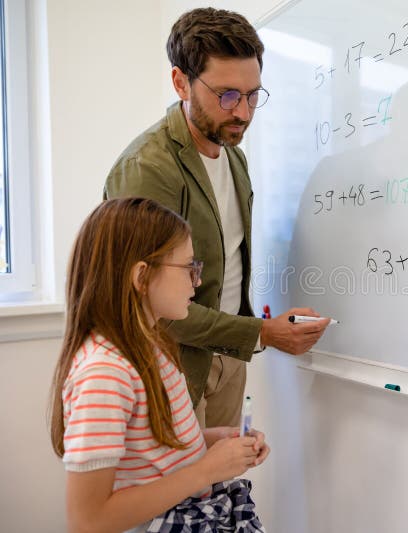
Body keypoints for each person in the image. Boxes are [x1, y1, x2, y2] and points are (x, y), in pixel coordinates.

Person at [104, 8, 330, 428]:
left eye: (253, 95)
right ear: (180, 82)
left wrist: (249, 335)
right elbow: (151, 303)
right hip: (165, 365)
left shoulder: (235, 158)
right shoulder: (148, 169)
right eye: (226, 95)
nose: (242, 113)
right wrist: (262, 332)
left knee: (221, 487)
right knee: (181, 490)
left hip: (226, 357)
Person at [48, 197, 270, 532]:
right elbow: (88, 521)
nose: (196, 282)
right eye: (188, 268)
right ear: (141, 276)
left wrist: (210, 441)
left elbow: (148, 450)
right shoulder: (104, 373)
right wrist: (206, 470)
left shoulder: (148, 347)